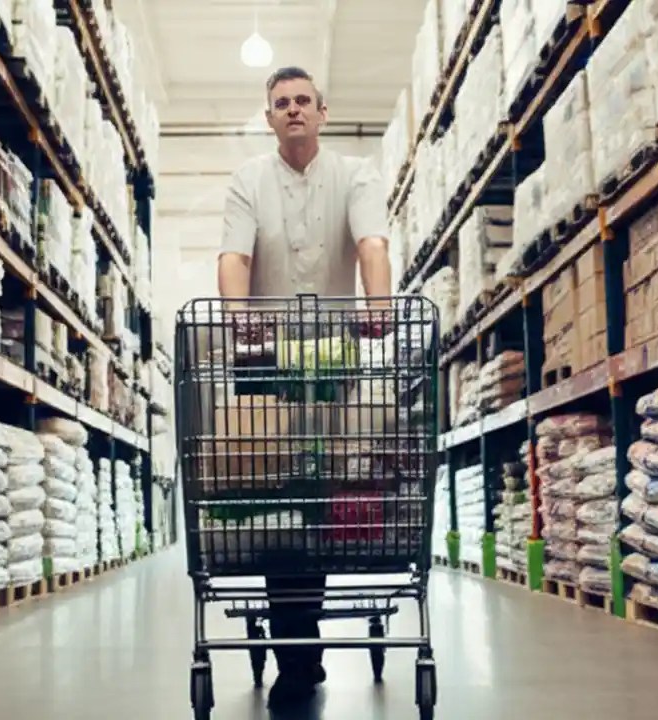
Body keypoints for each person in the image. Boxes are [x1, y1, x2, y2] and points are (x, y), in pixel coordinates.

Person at [216, 66, 392, 708]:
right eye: (280, 104)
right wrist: (237, 321)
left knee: (331, 483)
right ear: (270, 119)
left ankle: (306, 631)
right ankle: (298, 644)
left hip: (336, 359)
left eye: (302, 102)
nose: (292, 111)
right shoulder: (248, 180)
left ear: (322, 110)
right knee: (278, 493)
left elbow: (371, 242)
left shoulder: (356, 174)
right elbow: (234, 257)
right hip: (265, 364)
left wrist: (379, 303)